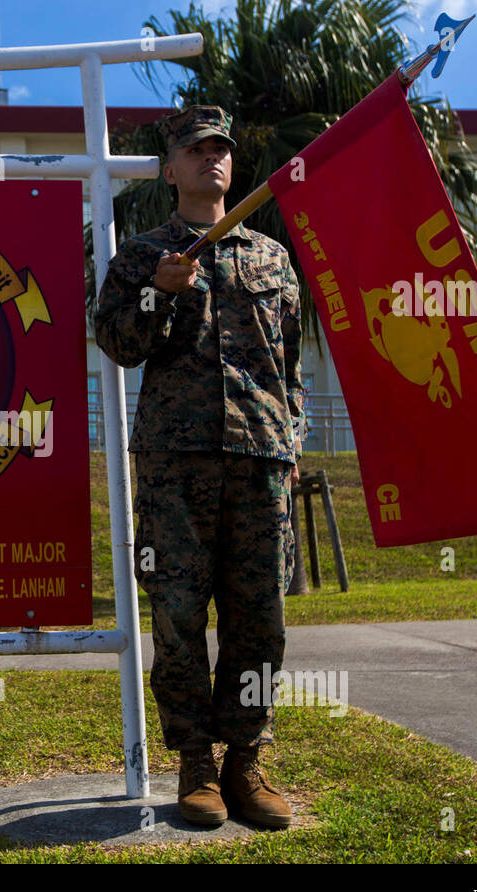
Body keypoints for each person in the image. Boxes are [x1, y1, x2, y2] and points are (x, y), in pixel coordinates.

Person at [93, 105, 304, 828]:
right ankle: (195, 763)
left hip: (260, 460)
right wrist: (160, 291)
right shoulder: (142, 254)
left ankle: (246, 760)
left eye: (220, 148)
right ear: (170, 168)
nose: (211, 158)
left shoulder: (273, 259)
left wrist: (293, 438)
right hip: (174, 466)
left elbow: (292, 366)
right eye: (195, 149)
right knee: (179, 616)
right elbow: (118, 341)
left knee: (260, 619)